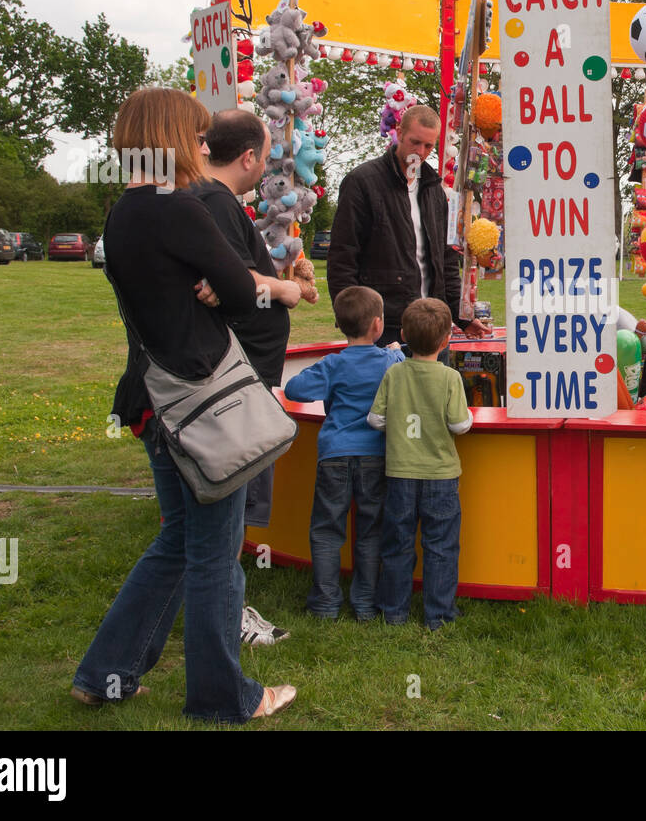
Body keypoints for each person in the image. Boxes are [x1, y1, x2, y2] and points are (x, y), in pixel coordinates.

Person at [72, 87, 294, 721]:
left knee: (177, 542)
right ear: (171, 136)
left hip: (152, 397)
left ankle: (105, 673)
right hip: (199, 403)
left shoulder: (125, 211)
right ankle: (228, 698)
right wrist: (252, 284)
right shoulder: (179, 209)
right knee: (213, 556)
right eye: (197, 136)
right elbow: (236, 286)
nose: (204, 146)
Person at [194, 109, 316, 646]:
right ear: (248, 158)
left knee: (223, 511)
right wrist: (281, 290)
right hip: (237, 381)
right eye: (264, 155)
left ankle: (218, 603)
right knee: (229, 512)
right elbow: (229, 282)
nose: (267, 164)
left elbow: (240, 272)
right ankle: (229, 613)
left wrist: (284, 272)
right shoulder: (216, 204)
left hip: (247, 376)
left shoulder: (221, 206)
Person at [284, 286, 403, 620]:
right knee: (371, 530)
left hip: (334, 455)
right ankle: (365, 603)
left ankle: (325, 603)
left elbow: (295, 389)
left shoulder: (333, 365)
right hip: (376, 456)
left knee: (326, 529)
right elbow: (408, 360)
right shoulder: (391, 360)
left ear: (339, 324)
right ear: (378, 326)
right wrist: (395, 350)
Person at [327, 105, 490, 346]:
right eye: (415, 142)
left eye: (428, 146)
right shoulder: (362, 182)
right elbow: (343, 256)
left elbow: (445, 260)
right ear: (399, 133)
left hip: (433, 324)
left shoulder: (433, 189)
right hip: (383, 325)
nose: (420, 152)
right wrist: (354, 323)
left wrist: (462, 318)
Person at [368, 298, 472, 630]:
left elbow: (375, 419)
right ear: (446, 340)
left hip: (399, 473)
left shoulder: (393, 373)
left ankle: (393, 611)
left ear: (403, 334)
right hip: (440, 476)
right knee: (441, 545)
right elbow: (459, 425)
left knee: (396, 542)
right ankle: (438, 615)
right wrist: (468, 415)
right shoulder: (450, 378)